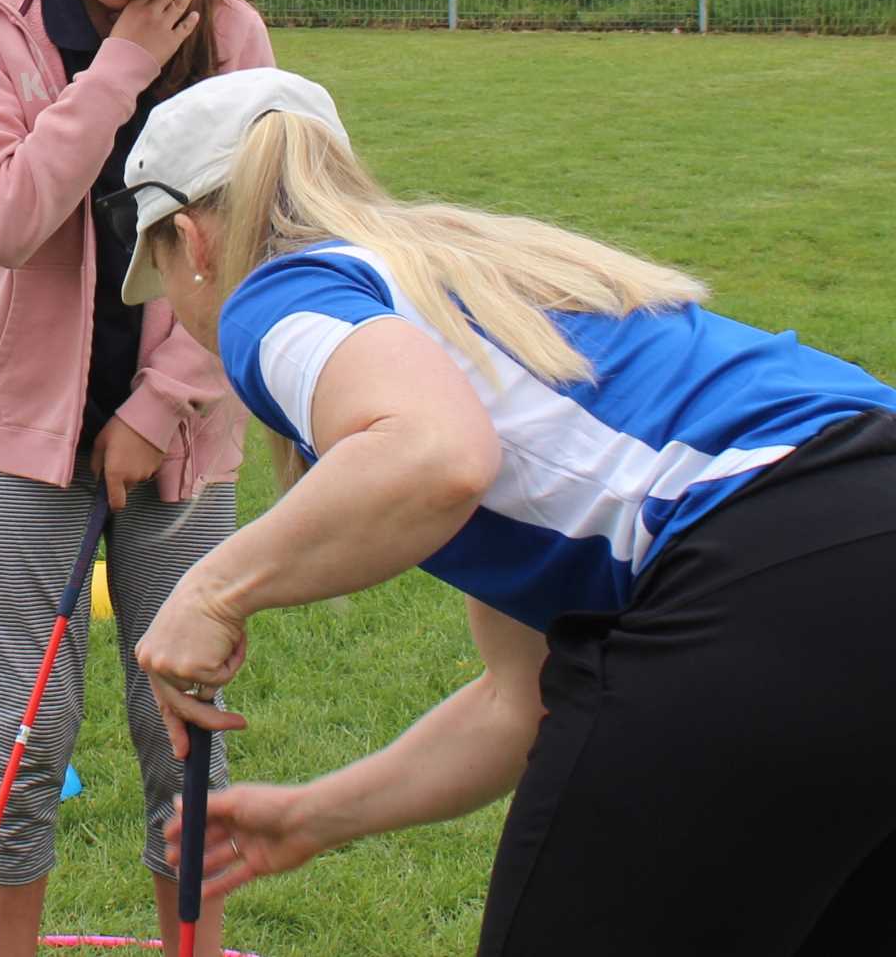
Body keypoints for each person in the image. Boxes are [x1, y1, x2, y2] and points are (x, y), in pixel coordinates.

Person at [119, 67, 896, 956]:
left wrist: (213, 590)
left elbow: (432, 455)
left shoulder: (281, 294)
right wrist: (310, 818)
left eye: (165, 274)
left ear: (193, 240)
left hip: (774, 556)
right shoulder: (464, 283)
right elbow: (516, 699)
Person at [0, 0, 274, 956]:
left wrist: (158, 406)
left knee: (182, 728)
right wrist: (123, 62)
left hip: (180, 443)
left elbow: (241, 245)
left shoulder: (231, 32)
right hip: (23, 435)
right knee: (24, 737)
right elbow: (8, 218)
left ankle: (194, 944)